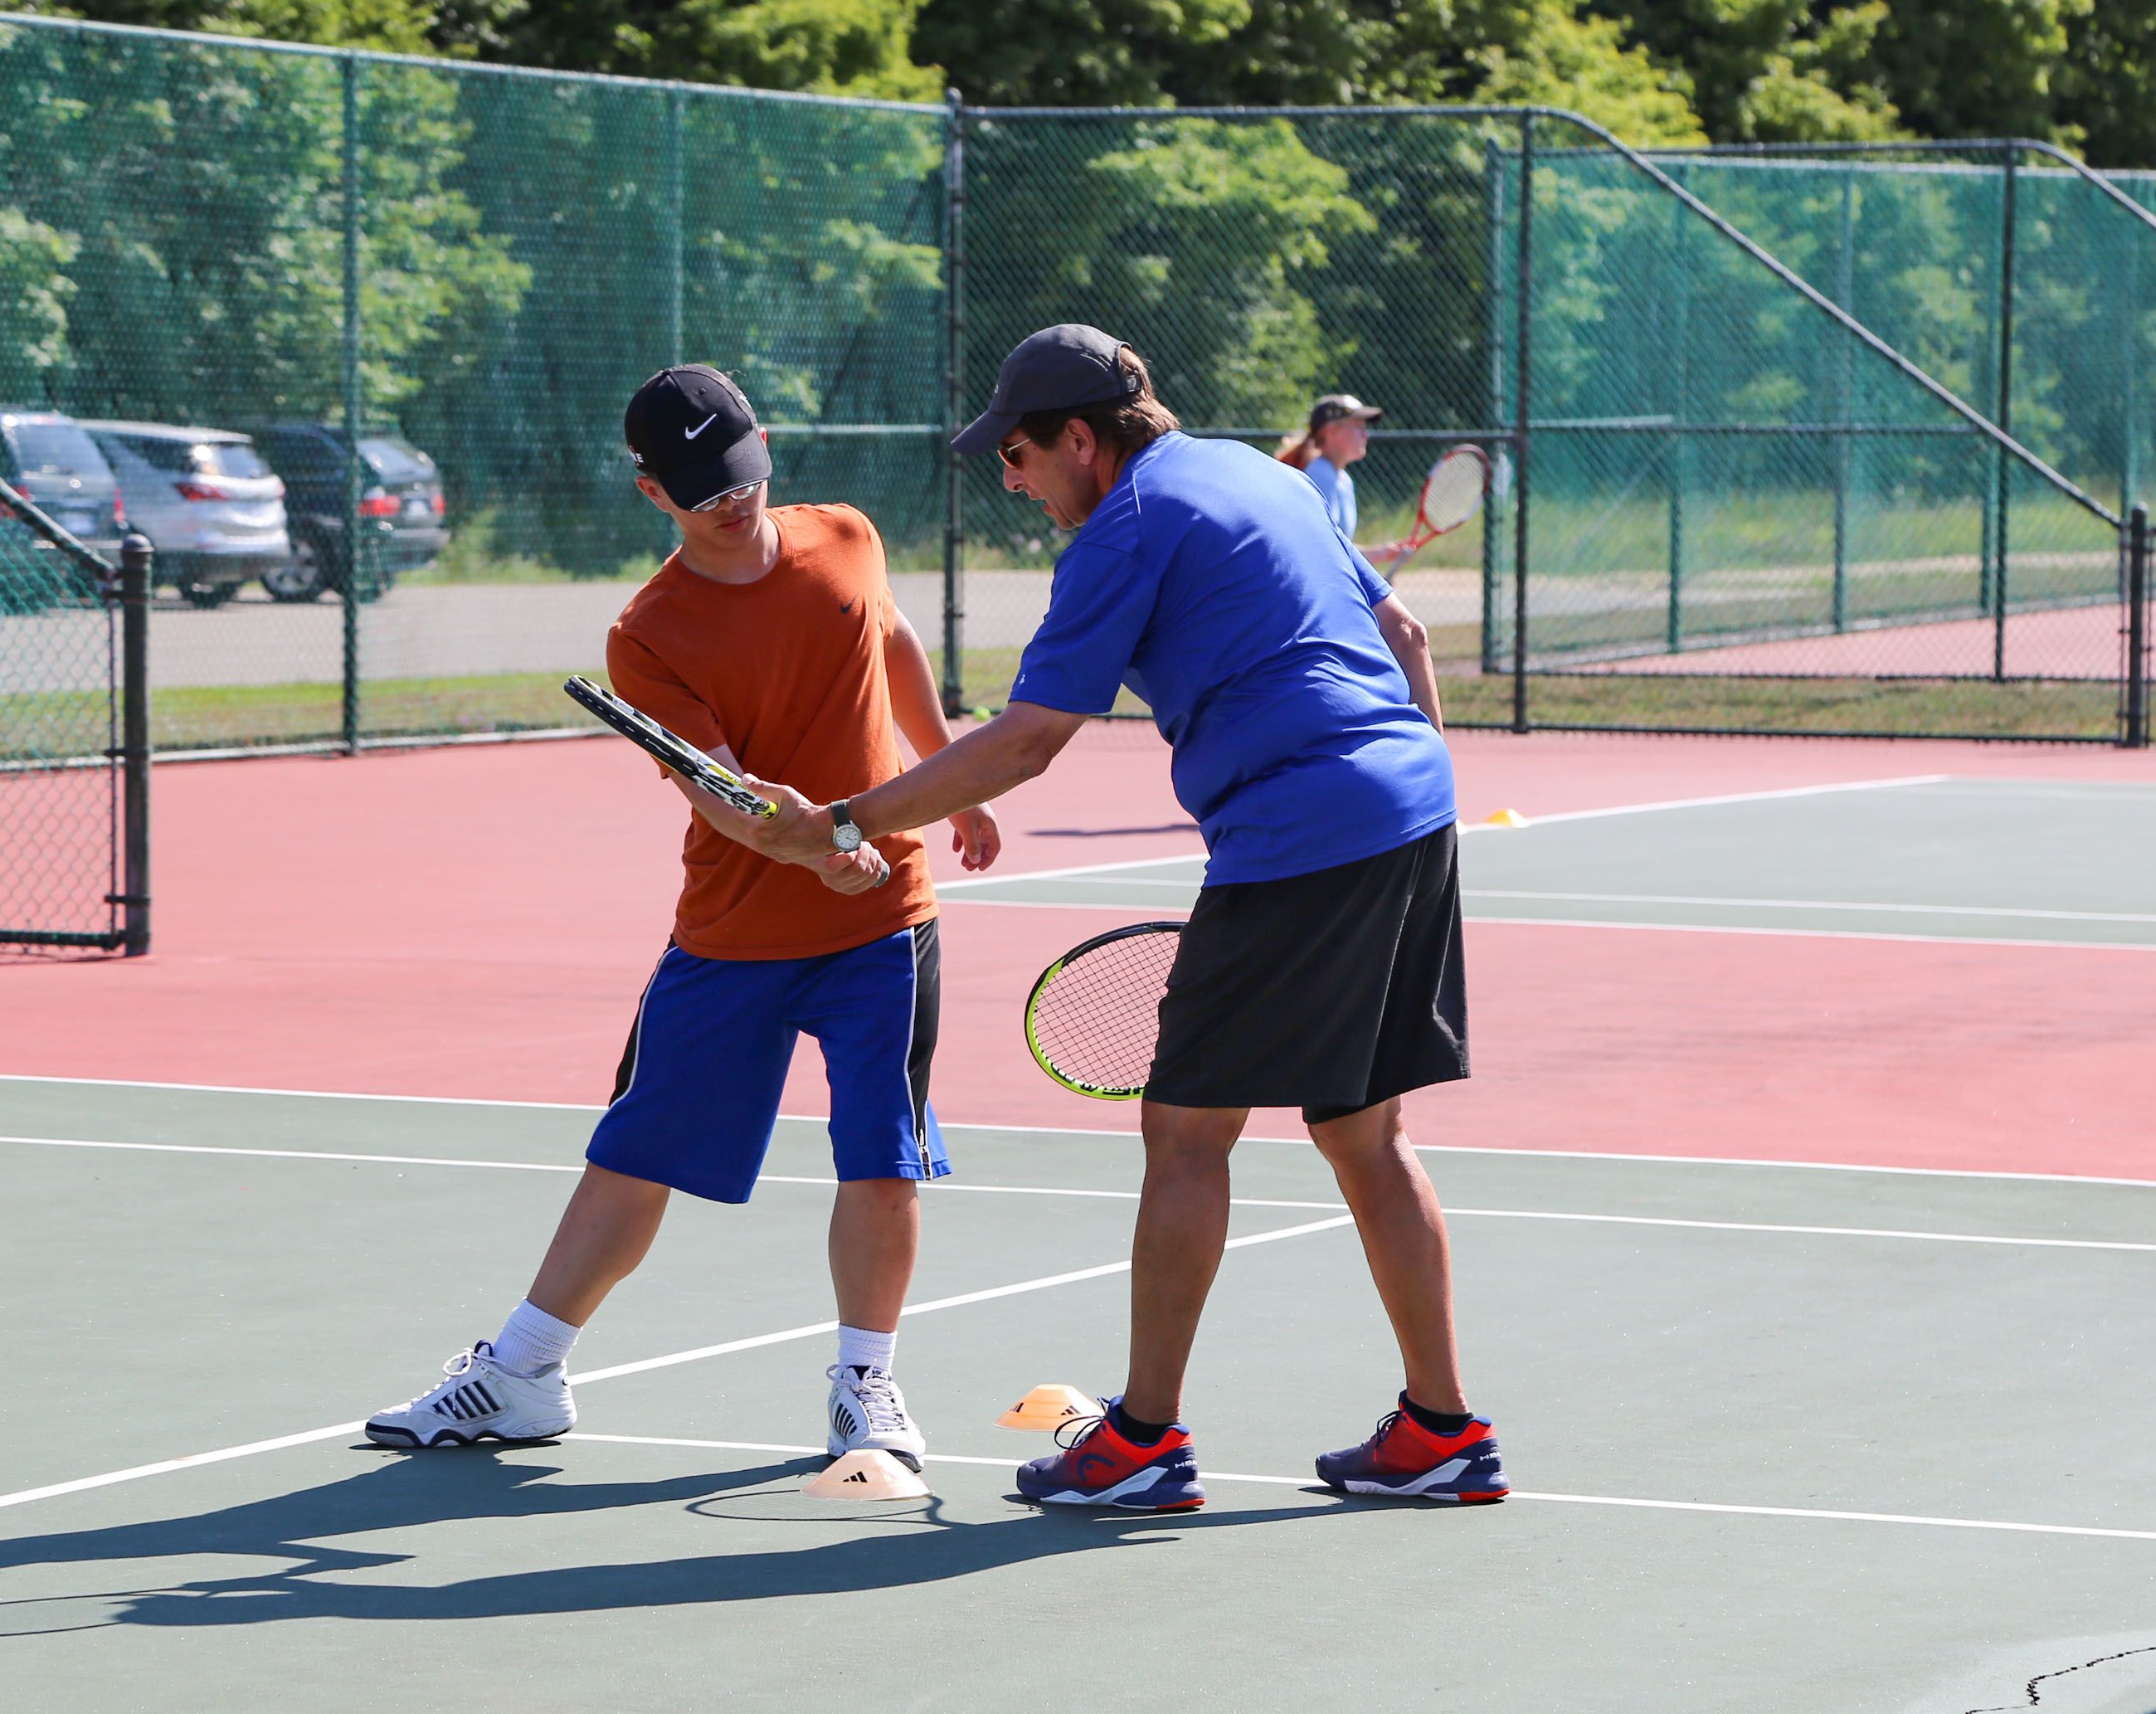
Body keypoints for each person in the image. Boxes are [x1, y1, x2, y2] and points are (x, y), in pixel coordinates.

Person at [719, 324, 1502, 1510]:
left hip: (1301, 840)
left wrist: (842, 821)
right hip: (1411, 811)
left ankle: (1139, 1440)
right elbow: (1404, 635)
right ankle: (1440, 1429)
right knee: (1362, 1132)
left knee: (1186, 1132)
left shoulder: (1124, 528)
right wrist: (1405, 792)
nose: (1011, 475)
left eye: (1021, 451)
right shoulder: (1258, 471)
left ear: (1082, 439)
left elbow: (1028, 740)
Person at [365, 363, 1001, 1470]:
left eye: (741, 470)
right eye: (699, 484)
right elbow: (723, 791)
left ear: (766, 445)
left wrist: (949, 772)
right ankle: (520, 1374)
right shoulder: (647, 635)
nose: (729, 498)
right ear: (652, 491)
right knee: (635, 1153)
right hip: (733, 930)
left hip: (882, 923)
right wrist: (816, 848)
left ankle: (866, 1385)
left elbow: (887, 642)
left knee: (881, 1159)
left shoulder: (847, 534)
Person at [1274, 392, 1407, 574]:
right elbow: (1323, 550)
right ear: (1331, 432)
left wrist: (1381, 554)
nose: (1366, 434)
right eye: (1358, 426)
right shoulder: (1321, 474)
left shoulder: (1342, 478)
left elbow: (1338, 547)